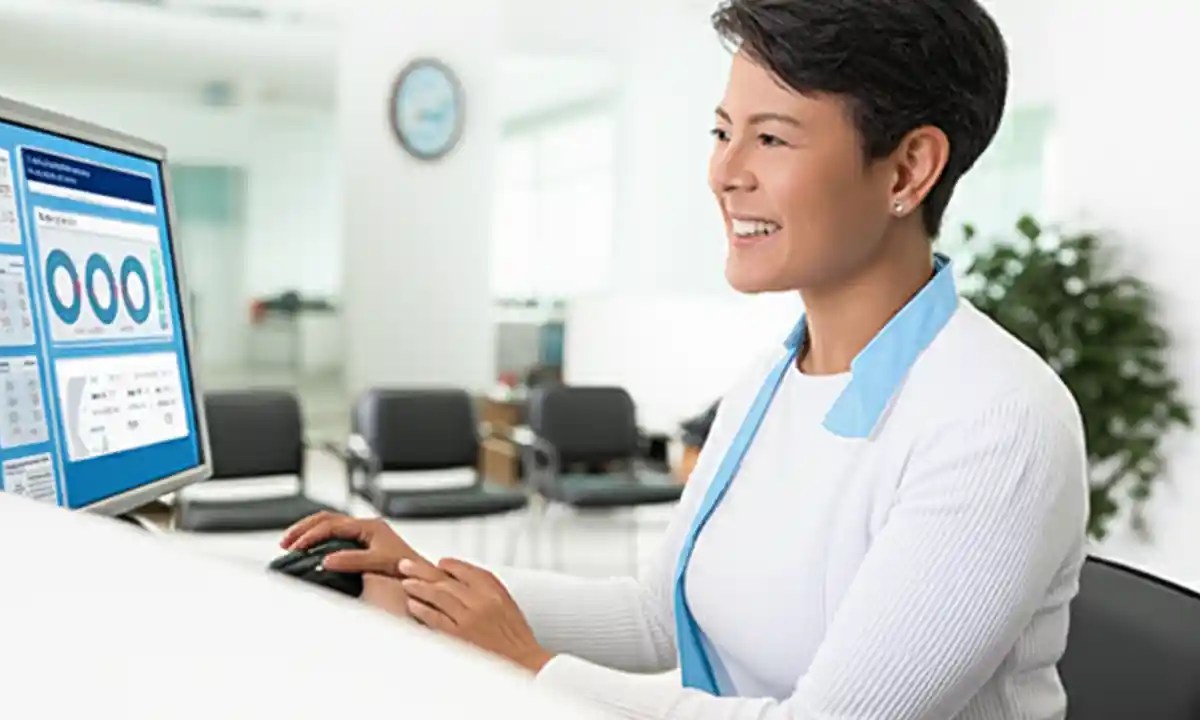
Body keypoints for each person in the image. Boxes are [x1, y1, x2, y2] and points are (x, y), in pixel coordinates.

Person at [282, 0, 1089, 717]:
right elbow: (656, 613)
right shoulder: (772, 383)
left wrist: (531, 669)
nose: (724, 174)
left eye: (770, 137)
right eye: (721, 132)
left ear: (908, 169)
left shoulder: (997, 419)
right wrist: (428, 578)